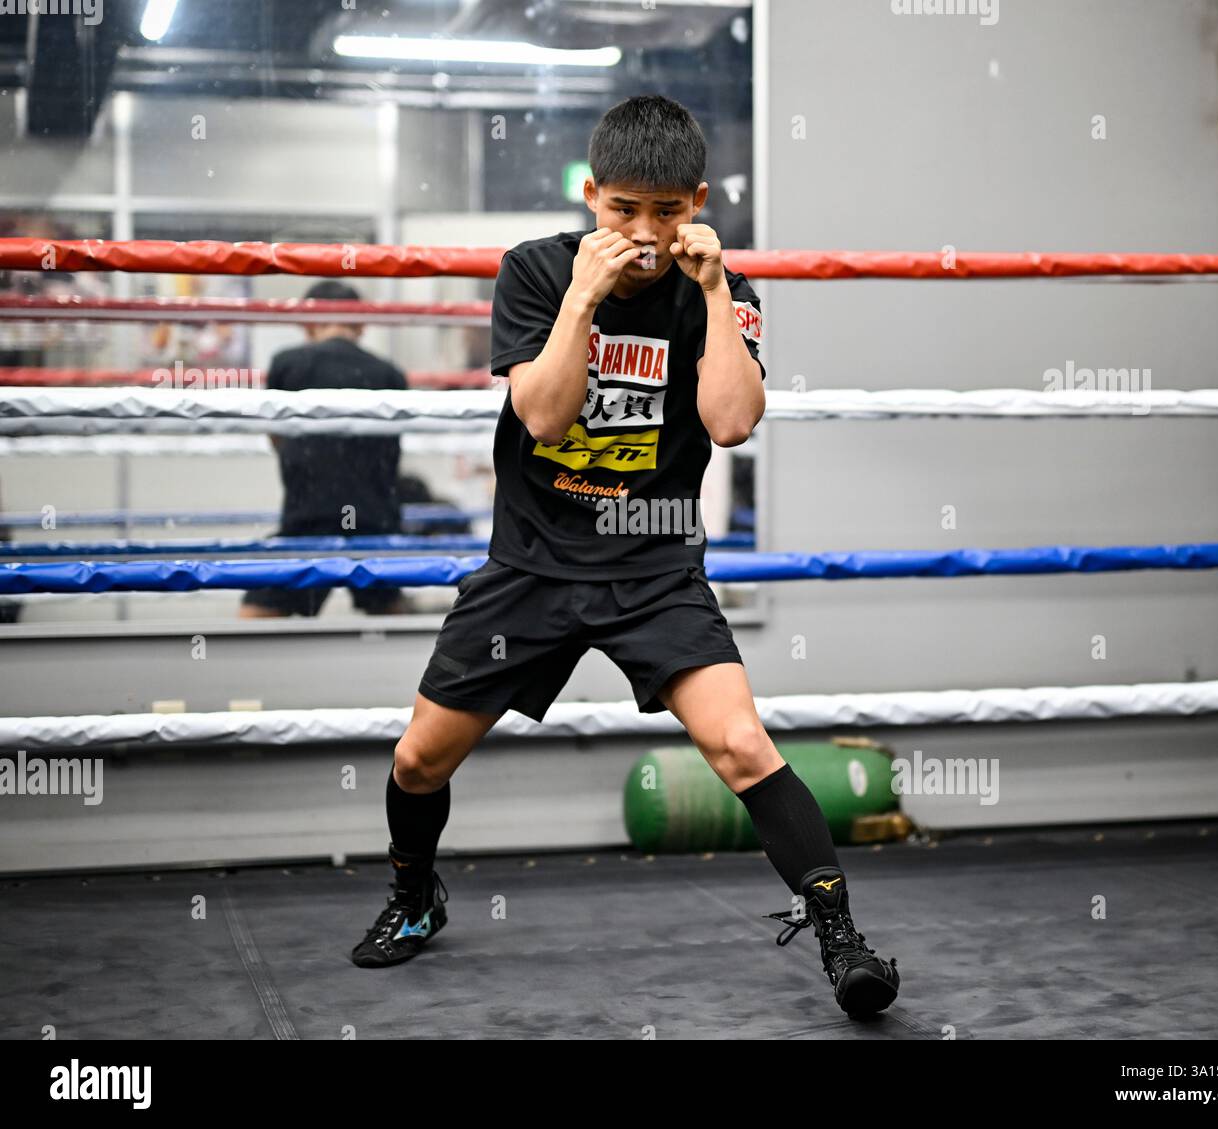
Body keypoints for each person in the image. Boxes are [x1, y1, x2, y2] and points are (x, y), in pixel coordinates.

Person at [351, 95, 901, 1017]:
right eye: (622, 211)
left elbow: (730, 422)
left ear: (696, 201)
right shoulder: (534, 271)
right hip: (530, 566)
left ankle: (842, 934)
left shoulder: (721, 293)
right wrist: (584, 294)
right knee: (418, 761)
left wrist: (719, 291)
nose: (645, 233)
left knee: (740, 743)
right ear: (591, 194)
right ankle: (414, 898)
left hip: (653, 569)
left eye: (667, 211)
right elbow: (543, 416)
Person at [239, 280, 412, 618]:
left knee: (256, 617)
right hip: (373, 519)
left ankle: (250, 672)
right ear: (361, 324)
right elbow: (391, 449)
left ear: (307, 322)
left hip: (309, 515)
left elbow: (276, 438)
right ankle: (415, 670)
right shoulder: (390, 373)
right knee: (391, 616)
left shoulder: (288, 363)